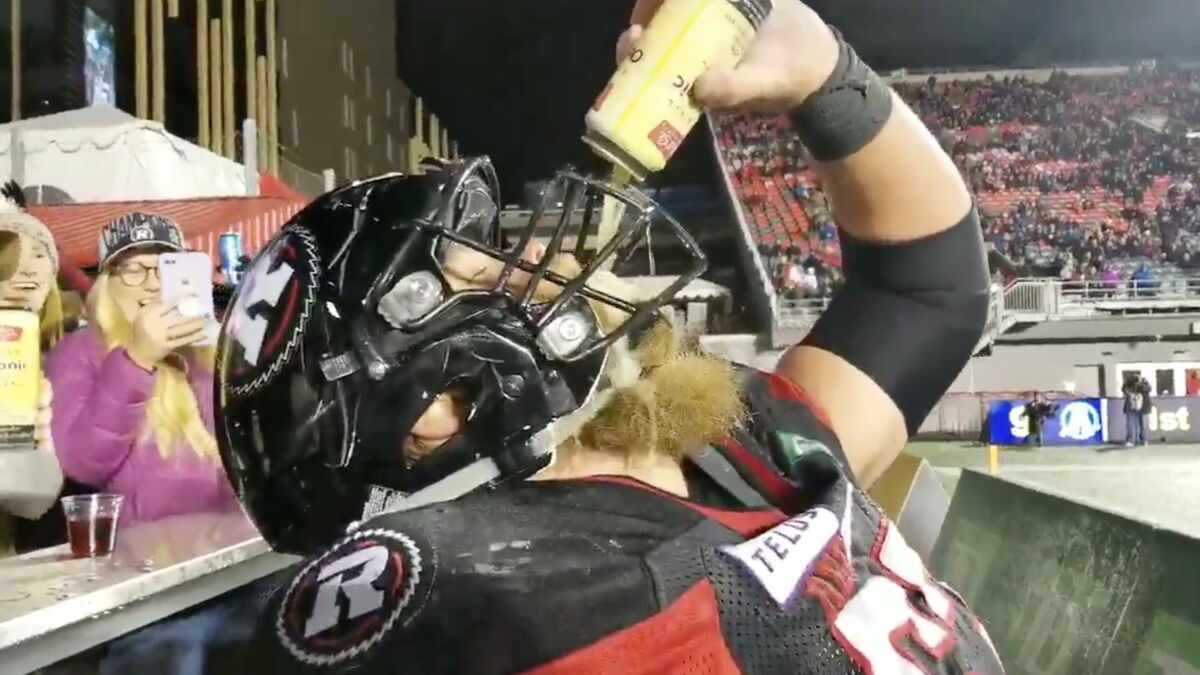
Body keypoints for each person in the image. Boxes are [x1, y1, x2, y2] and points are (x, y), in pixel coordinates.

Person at [209, 2, 1000, 673]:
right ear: (427, 410)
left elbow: (925, 291)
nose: (545, 256)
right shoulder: (525, 605)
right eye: (482, 267)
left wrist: (830, 80)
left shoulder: (724, 439)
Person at [46, 212, 239, 526]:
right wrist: (136, 360)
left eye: (165, 269)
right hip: (139, 553)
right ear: (107, 282)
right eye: (133, 269)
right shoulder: (79, 352)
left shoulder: (203, 352)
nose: (151, 284)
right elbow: (82, 463)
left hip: (223, 544)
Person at [0, 196, 63, 555]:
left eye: (38, 254)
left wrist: (37, 451)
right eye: (13, 254)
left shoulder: (42, 360)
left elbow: (31, 501)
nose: (27, 271)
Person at [1122, 372, 1152, 447]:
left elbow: (1148, 389)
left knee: (1143, 424)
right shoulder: (1128, 382)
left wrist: (1139, 385)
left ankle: (1143, 440)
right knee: (1130, 424)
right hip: (1131, 404)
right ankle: (1130, 440)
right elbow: (1124, 389)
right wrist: (1130, 392)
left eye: (1137, 376)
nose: (1136, 378)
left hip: (1143, 405)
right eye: (1134, 376)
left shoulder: (1144, 381)